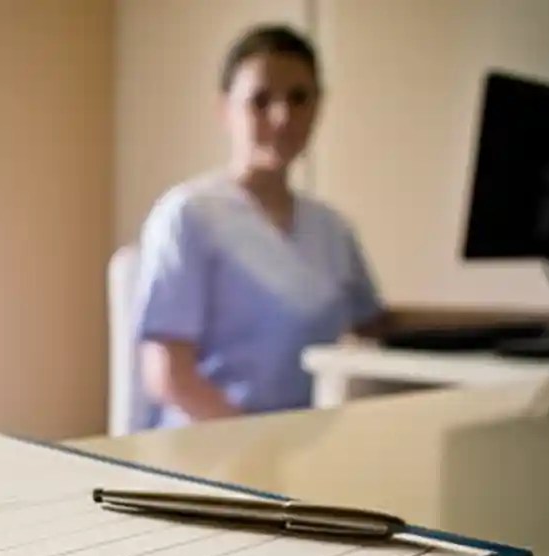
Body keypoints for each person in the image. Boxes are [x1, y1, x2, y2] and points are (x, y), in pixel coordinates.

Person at [133, 24, 387, 429]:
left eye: (299, 99)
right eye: (261, 100)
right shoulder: (189, 215)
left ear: (319, 107)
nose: (283, 117)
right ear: (225, 110)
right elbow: (167, 374)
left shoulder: (332, 229)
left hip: (309, 449)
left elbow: (377, 326)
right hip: (209, 452)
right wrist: (257, 446)